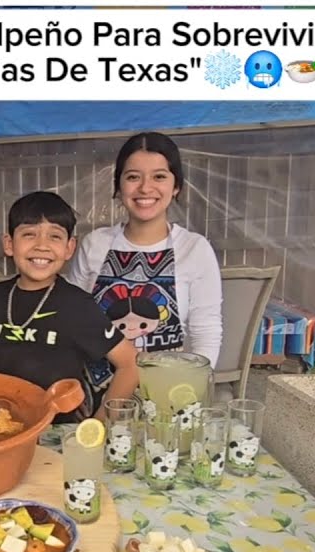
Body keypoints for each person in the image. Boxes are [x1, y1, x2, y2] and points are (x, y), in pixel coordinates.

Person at [65, 132, 222, 413]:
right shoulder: (94, 244)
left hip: (165, 398)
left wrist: (189, 393)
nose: (145, 188)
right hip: (93, 396)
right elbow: (72, 319)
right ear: (119, 186)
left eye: (159, 177)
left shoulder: (194, 249)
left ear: (176, 186)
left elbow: (206, 331)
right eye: (133, 177)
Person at [0, 191, 140, 423]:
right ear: (9, 244)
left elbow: (131, 363)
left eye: (54, 236)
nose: (42, 246)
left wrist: (100, 423)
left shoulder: (77, 305)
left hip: (56, 436)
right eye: (29, 234)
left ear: (69, 248)